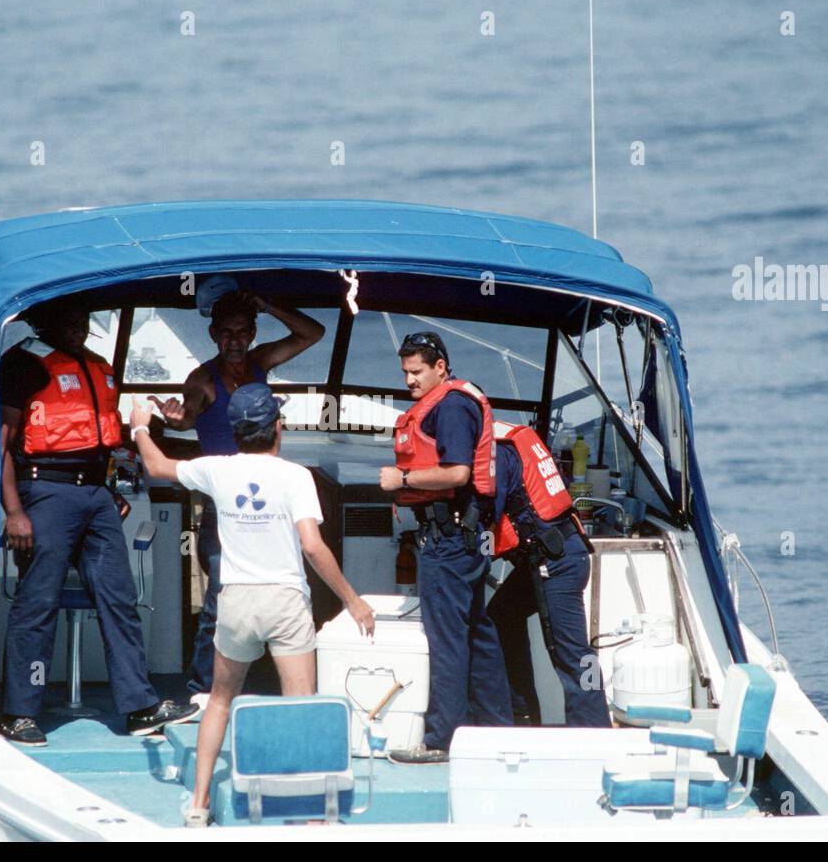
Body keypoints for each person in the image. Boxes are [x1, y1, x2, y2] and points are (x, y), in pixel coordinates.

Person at [127, 385, 375, 827]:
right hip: (285, 601)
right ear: (277, 427)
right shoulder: (297, 477)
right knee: (303, 705)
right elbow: (313, 548)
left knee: (220, 701)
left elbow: (156, 465)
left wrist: (141, 425)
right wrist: (351, 600)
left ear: (234, 431)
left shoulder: (216, 470)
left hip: (236, 600)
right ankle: (312, 815)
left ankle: (199, 804)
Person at [0, 303, 197, 746]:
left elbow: (101, 439)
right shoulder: (23, 364)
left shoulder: (97, 366)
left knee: (119, 597)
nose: (79, 325)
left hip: (97, 498)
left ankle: (138, 705)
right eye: (69, 318)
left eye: (84, 319)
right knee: (37, 603)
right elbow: (2, 445)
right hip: (44, 493)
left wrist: (108, 491)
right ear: (44, 321)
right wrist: (14, 512)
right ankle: (19, 712)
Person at [149, 276, 325, 705]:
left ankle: (267, 675)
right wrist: (174, 420)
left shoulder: (261, 360)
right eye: (226, 332)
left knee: (279, 588)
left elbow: (312, 333)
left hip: (270, 500)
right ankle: (200, 690)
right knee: (221, 595)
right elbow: (188, 418)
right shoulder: (201, 378)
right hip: (225, 506)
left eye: (243, 331)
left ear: (253, 332)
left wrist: (268, 302)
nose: (235, 340)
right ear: (213, 334)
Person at [377, 332, 512, 764]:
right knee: (478, 631)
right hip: (463, 538)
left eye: (417, 372)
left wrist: (402, 481)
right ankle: (495, 728)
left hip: (449, 541)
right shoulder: (448, 402)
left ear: (440, 367)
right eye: (405, 373)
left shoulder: (451, 407)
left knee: (447, 640)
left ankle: (442, 740)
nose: (410, 381)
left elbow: (456, 474)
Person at [486, 423, 611, 727]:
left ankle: (594, 727)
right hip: (553, 555)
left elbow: (489, 515)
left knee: (574, 654)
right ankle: (524, 714)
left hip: (559, 563)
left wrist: (470, 556)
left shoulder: (500, 455)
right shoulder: (512, 443)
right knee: (500, 615)